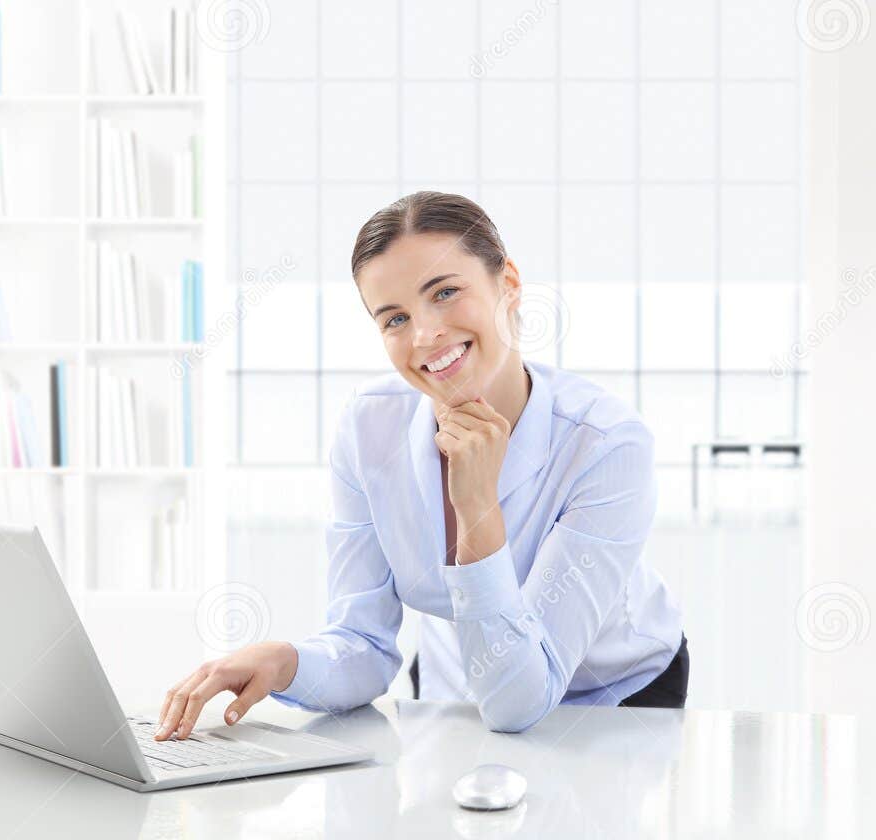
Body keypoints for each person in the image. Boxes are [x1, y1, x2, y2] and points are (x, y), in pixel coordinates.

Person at [155, 191, 686, 738]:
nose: (424, 335)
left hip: (618, 691)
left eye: (447, 292)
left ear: (507, 285)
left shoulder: (606, 444)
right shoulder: (368, 429)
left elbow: (519, 703)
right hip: (460, 683)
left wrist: (476, 505)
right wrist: (283, 662)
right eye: (395, 318)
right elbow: (362, 645)